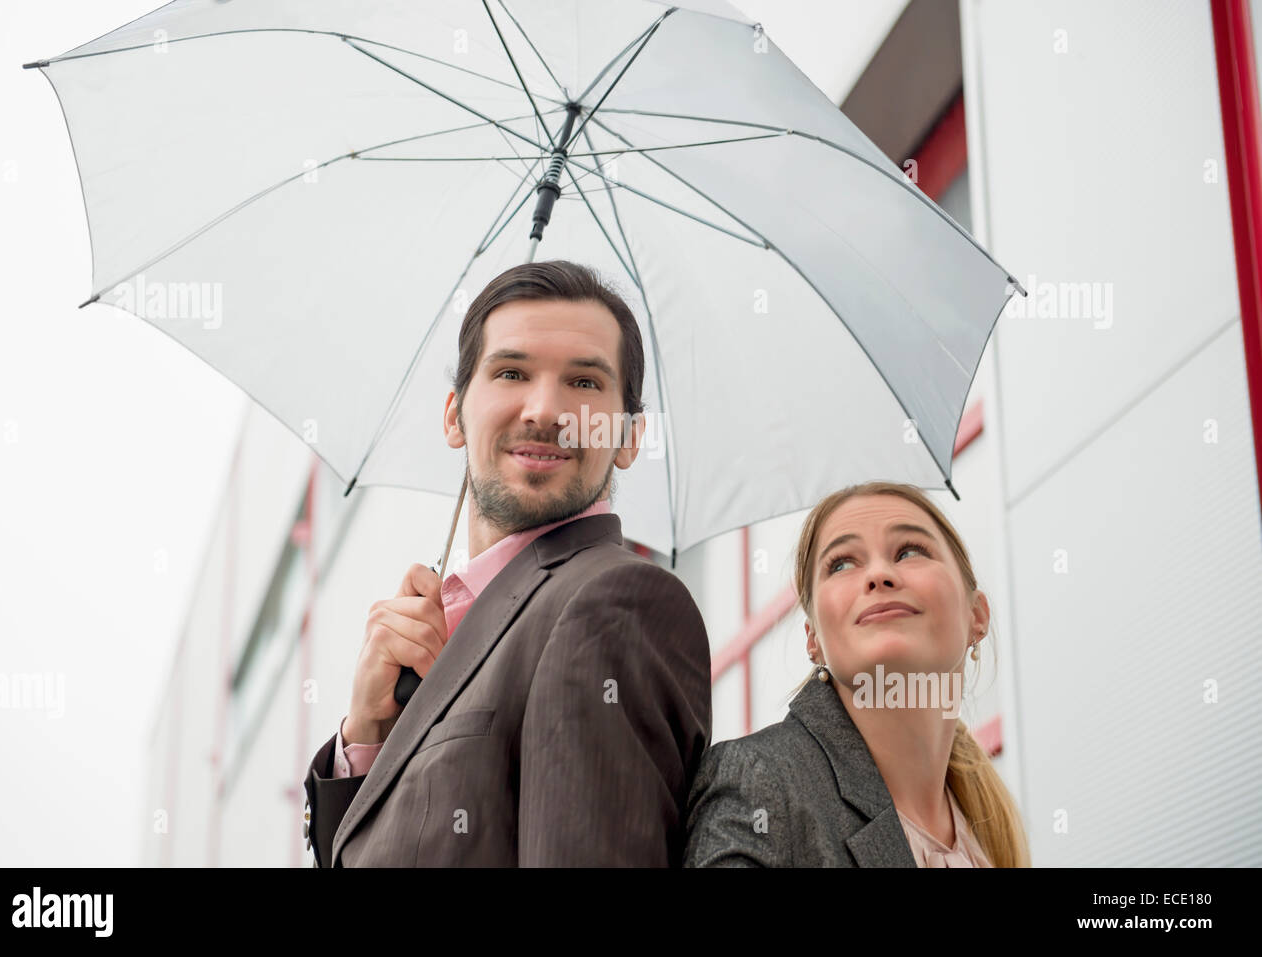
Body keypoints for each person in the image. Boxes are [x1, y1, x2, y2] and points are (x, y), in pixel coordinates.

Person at [302, 260, 711, 867]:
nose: (544, 410)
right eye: (512, 371)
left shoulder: (616, 603)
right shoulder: (440, 630)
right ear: (453, 416)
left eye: (584, 383)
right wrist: (367, 736)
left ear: (628, 438)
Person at [684, 481, 1030, 867]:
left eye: (910, 551)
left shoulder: (991, 832)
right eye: (841, 564)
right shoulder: (760, 783)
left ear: (976, 615)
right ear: (813, 638)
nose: (879, 575)